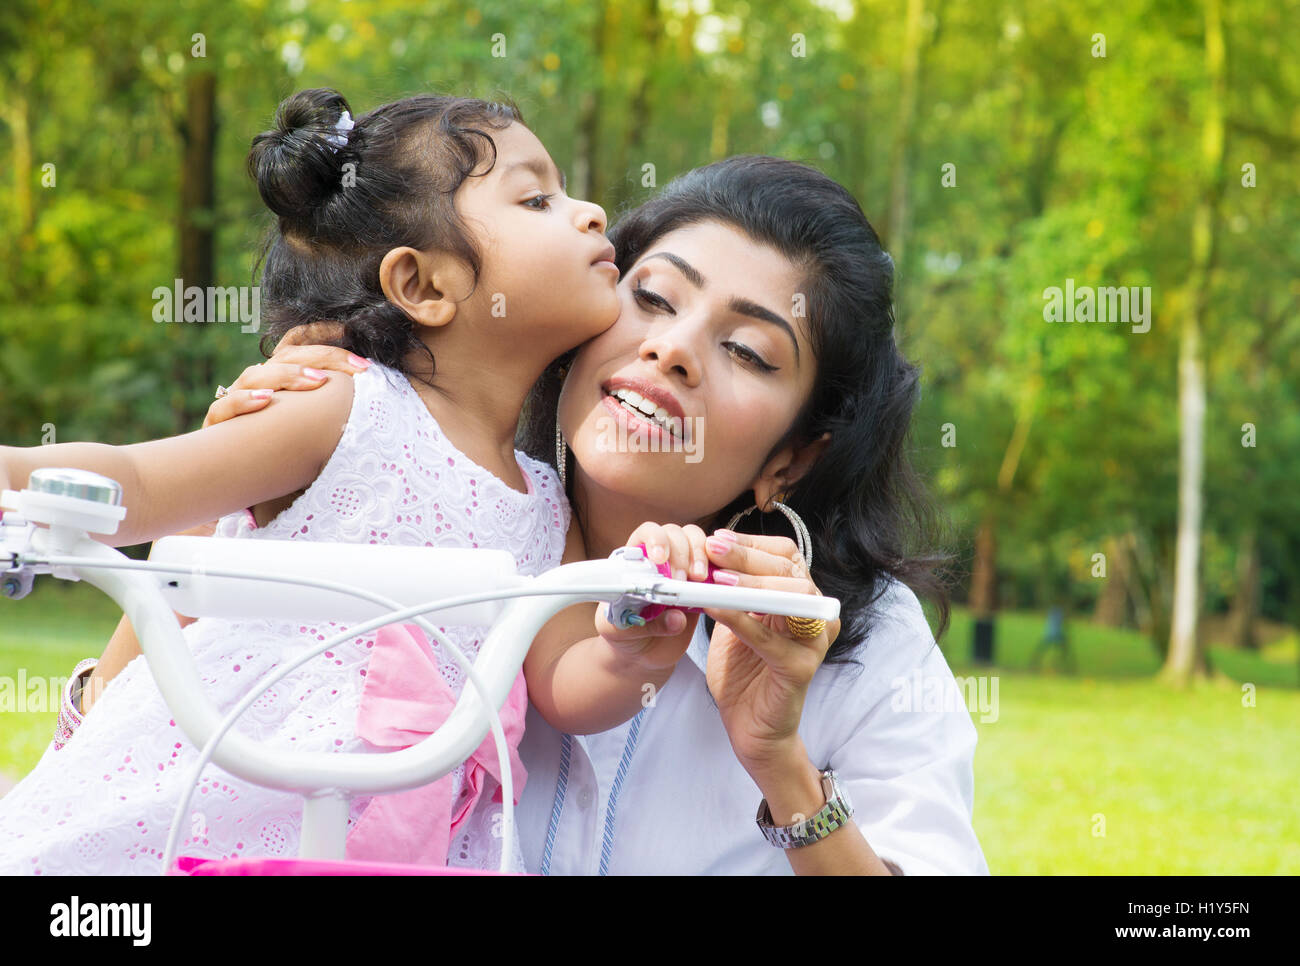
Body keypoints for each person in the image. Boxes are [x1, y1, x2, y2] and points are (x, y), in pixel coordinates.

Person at [189, 156, 991, 874]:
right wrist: (230, 485)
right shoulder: (422, 510)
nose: (672, 347)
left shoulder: (863, 642)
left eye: (747, 350)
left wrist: (780, 763)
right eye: (651, 297)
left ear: (792, 461)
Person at [0, 87, 682, 874]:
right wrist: (16, 473)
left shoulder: (544, 503)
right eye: (537, 198)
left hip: (396, 844)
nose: (593, 212)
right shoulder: (340, 402)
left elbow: (566, 684)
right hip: (203, 813)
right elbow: (139, 484)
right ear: (423, 285)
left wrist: (638, 647)